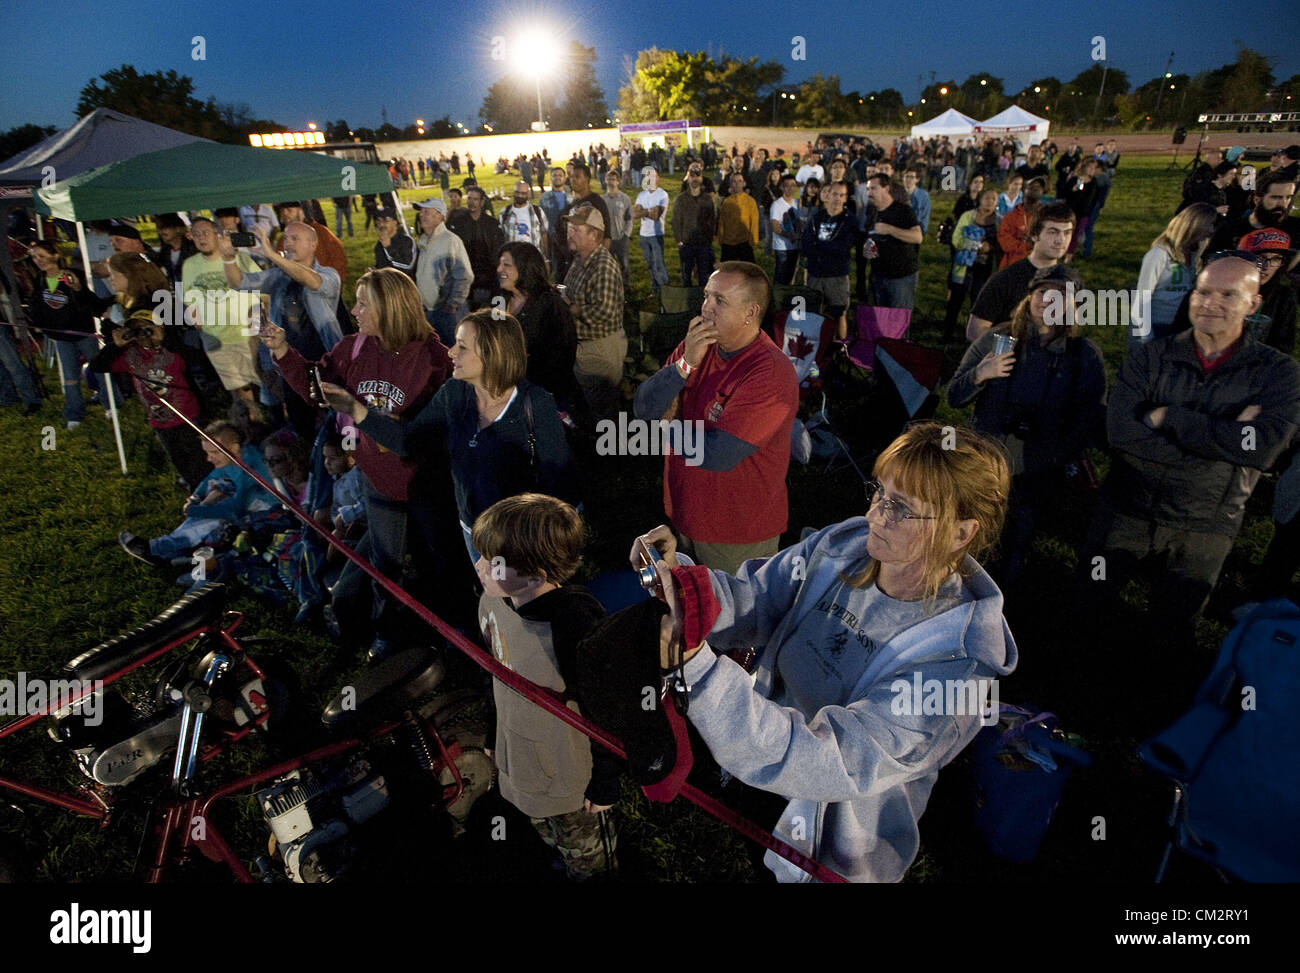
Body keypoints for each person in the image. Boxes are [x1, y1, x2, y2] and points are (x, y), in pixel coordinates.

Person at [634, 420, 1016, 882]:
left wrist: (699, 672)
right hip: (755, 757)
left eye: (902, 509)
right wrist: (684, 587)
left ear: (960, 533)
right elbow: (758, 598)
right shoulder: (844, 545)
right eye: (879, 493)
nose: (876, 516)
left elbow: (831, 761)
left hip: (827, 840)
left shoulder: (955, 668)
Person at [1084, 255, 1300, 655]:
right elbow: (1121, 433)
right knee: (1090, 606)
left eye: (1228, 294)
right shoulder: (1151, 356)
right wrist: (1225, 438)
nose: (1209, 303)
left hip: (1205, 524)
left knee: (1173, 629)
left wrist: (1167, 417)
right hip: (1128, 507)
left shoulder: (1279, 373)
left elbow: (1263, 448)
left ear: (1254, 303)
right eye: (1202, 291)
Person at [262, 267, 453, 659]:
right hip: (379, 482)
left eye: (364, 302)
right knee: (386, 566)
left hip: (427, 485)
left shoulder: (434, 358)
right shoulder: (354, 348)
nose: (355, 309)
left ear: (390, 308)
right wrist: (284, 353)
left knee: (443, 563)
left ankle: (456, 635)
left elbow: (437, 429)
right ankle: (387, 634)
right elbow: (319, 390)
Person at [343, 310, 580, 566]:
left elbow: (561, 486)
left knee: (516, 603)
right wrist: (356, 410)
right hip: (472, 531)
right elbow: (410, 442)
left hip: (520, 542)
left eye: (462, 346)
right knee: (489, 597)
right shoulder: (454, 393)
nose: (451, 352)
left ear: (492, 353)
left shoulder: (535, 404)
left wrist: (537, 545)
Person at [472, 494, 620, 880]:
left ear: (536, 576)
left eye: (494, 562)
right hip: (520, 753)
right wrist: (494, 730)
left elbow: (606, 706)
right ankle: (558, 850)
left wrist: (604, 779)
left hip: (568, 770)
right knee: (540, 822)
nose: (479, 567)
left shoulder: (573, 626)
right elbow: (497, 672)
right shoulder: (494, 603)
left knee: (586, 854)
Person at [632, 262, 797, 574]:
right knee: (688, 608)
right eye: (706, 296)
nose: (706, 308)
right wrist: (684, 364)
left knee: (732, 617)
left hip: (736, 530)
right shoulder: (698, 345)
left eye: (720, 301)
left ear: (751, 312)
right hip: (685, 512)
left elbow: (718, 453)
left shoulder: (769, 372)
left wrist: (666, 424)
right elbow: (644, 408)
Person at [947, 265, 1106, 583]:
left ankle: (1003, 609)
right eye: (1042, 292)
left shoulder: (1082, 356)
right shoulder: (998, 339)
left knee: (1015, 549)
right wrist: (980, 374)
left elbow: (1092, 420)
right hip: (984, 462)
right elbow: (953, 396)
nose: (1048, 301)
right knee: (966, 542)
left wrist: (1057, 455)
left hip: (1037, 470)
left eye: (1060, 296)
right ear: (1029, 297)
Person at [89, 255, 209, 489]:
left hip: (181, 394)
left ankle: (205, 484)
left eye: (115, 274)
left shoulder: (154, 304)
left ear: (131, 276)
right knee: (178, 452)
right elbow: (99, 364)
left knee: (194, 451)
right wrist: (116, 341)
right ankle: (194, 484)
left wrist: (162, 339)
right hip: (156, 405)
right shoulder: (133, 304)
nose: (111, 279)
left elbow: (188, 351)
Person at [219, 220, 343, 438]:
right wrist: (228, 258)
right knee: (301, 422)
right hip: (289, 364)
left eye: (295, 238)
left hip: (325, 361)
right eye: (286, 238)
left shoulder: (329, 275)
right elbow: (239, 283)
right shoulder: (278, 276)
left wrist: (272, 255)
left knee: (336, 420)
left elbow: (311, 281)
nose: (288, 243)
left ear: (313, 244)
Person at [118, 420, 275, 567]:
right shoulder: (235, 456)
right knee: (215, 489)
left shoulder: (251, 466)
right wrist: (196, 496)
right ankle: (171, 548)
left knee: (213, 515)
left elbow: (233, 511)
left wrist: (196, 510)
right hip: (246, 500)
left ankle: (157, 549)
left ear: (233, 447)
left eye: (213, 452)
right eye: (206, 453)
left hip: (267, 508)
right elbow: (214, 476)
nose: (208, 458)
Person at [966, 201, 1075, 342]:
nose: (1061, 240)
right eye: (1053, 232)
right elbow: (975, 330)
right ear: (1035, 235)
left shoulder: (1068, 281)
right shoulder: (1007, 279)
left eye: (1067, 233)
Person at [493, 242, 581, 415]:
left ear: (525, 267)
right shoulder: (500, 299)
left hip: (543, 399)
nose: (498, 269)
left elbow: (563, 357)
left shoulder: (552, 305)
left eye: (507, 265)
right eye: (499, 264)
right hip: (506, 393)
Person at [24, 241, 103, 428]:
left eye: (42, 256)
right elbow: (38, 304)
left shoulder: (71, 275)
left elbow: (85, 299)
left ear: (55, 255)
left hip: (82, 332)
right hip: (61, 336)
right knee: (70, 376)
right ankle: (74, 413)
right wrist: (40, 325)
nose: (38, 261)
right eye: (34, 257)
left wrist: (76, 286)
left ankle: (111, 403)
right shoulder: (40, 279)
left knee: (99, 368)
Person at [562, 205, 625, 421]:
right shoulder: (580, 259)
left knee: (602, 412)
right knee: (587, 409)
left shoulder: (603, 265)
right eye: (569, 227)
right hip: (584, 347)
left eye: (576, 229)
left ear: (595, 235)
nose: (570, 232)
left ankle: (610, 451)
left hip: (599, 350)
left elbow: (603, 311)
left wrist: (570, 308)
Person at [1129, 203, 1218, 347]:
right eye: (1209, 225)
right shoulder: (1159, 255)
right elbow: (1141, 298)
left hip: (1179, 327)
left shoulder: (1196, 255)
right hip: (1155, 326)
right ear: (1194, 225)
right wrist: (1145, 337)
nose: (1211, 230)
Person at [412, 198, 473, 347]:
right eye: (421, 211)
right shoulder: (424, 240)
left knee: (456, 352)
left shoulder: (450, 240)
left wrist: (452, 304)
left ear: (440, 216)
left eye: (427, 211)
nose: (421, 215)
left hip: (448, 313)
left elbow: (465, 276)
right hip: (429, 312)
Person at [800, 181, 858, 339]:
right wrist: (822, 247)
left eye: (841, 195)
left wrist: (818, 245)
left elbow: (843, 248)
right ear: (828, 195)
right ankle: (815, 346)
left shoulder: (850, 221)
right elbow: (806, 243)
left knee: (839, 313)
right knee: (814, 313)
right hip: (816, 274)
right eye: (834, 194)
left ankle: (841, 349)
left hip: (836, 276)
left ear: (846, 198)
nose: (837, 198)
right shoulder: (817, 218)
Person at [943, 189, 1001, 341]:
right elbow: (956, 239)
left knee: (978, 302)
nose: (990, 200)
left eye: (993, 198)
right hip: (963, 267)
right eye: (987, 197)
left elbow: (1002, 244)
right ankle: (947, 332)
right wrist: (976, 246)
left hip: (985, 269)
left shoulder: (1000, 221)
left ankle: (971, 335)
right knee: (956, 300)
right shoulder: (968, 216)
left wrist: (991, 248)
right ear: (980, 199)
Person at [863, 174, 922, 310]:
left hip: (900, 277)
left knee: (897, 320)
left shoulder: (903, 211)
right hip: (878, 275)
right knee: (878, 318)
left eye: (873, 188)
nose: (869, 193)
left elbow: (917, 237)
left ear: (886, 189)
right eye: (867, 189)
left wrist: (890, 230)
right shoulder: (872, 211)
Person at [1206, 171, 1300, 255]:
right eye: (1276, 197)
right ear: (1257, 199)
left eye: (1288, 197)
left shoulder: (1295, 229)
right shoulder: (1228, 229)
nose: (1283, 204)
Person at [449, 186, 506, 310]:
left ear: (482, 202)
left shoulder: (492, 223)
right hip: (467, 274)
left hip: (490, 274)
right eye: (469, 198)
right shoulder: (458, 223)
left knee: (498, 313)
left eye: (475, 199)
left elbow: (499, 249)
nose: (471, 202)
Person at [717, 172, 760, 264]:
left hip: (745, 242)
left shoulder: (750, 201)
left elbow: (754, 222)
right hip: (728, 242)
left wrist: (753, 240)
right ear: (731, 184)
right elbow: (722, 222)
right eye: (734, 181)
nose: (737, 184)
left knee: (747, 271)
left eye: (740, 181)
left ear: (744, 183)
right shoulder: (726, 202)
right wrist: (721, 239)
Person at [768, 173, 801, 286]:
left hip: (795, 246)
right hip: (782, 248)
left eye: (793, 185)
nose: (790, 188)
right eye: (787, 185)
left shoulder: (797, 203)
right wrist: (789, 235)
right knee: (781, 277)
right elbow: (774, 227)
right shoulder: (777, 205)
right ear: (782, 187)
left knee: (791, 277)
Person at [601, 169, 633, 282]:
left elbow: (629, 219)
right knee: (608, 265)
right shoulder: (601, 200)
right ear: (605, 181)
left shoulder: (625, 199)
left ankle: (626, 285)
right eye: (609, 179)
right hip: (606, 239)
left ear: (618, 182)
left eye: (614, 179)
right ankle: (611, 284)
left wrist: (626, 235)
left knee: (624, 264)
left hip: (621, 238)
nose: (611, 181)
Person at [372, 207, 416, 279]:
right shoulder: (379, 244)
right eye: (379, 221)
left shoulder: (407, 241)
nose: (381, 225)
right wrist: (374, 271)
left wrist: (388, 247)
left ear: (395, 222)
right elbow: (382, 266)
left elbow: (407, 267)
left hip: (404, 286)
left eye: (386, 220)